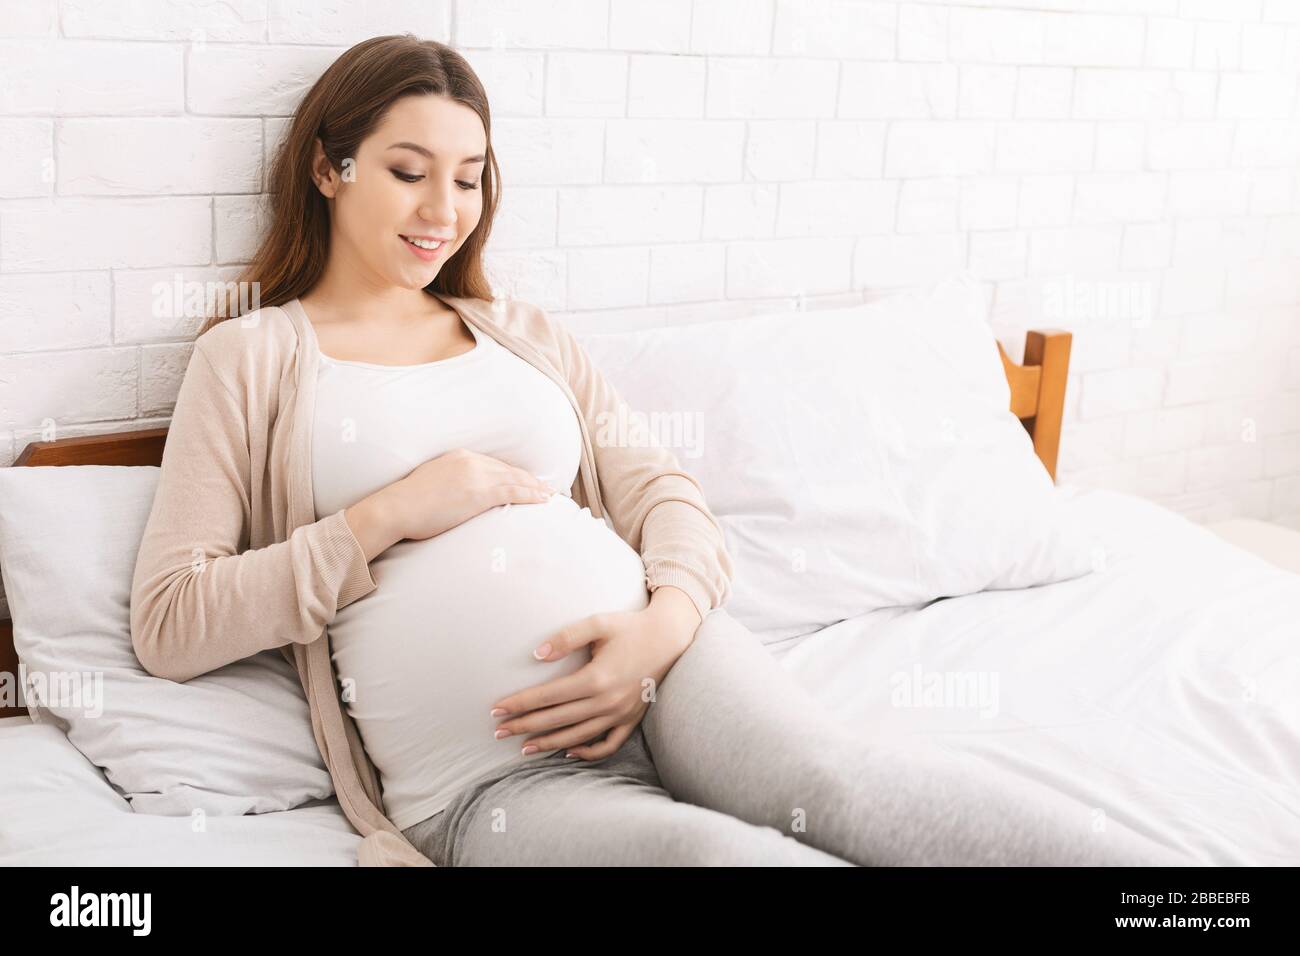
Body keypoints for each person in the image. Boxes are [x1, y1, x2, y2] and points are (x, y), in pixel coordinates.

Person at [144, 34, 1185, 868]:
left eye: (468, 178)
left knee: (834, 785)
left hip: (672, 666)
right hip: (492, 781)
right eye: (409, 172)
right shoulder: (251, 357)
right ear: (329, 168)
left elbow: (667, 495)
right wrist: (395, 508)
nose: (442, 212)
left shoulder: (523, 334)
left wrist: (661, 625)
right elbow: (172, 621)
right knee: (712, 852)